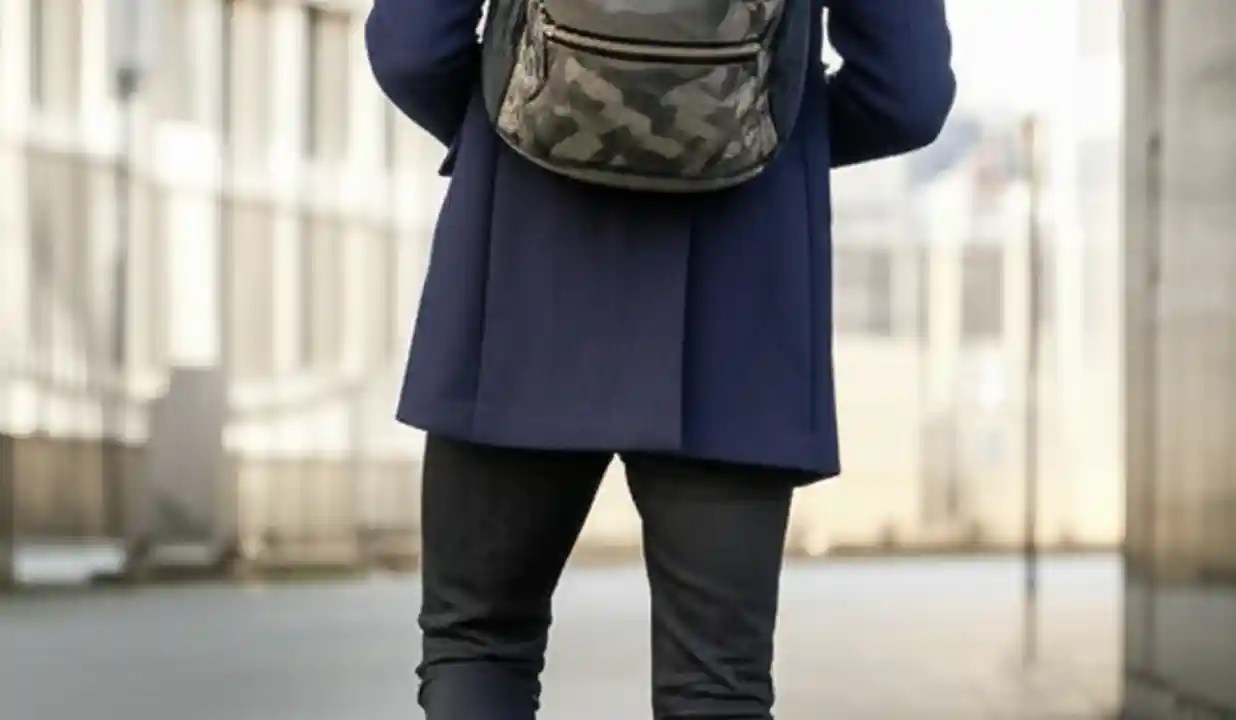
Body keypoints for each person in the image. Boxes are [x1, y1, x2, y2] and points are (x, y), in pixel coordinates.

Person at [365, 0, 954, 717]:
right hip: (743, 280)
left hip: (523, 252)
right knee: (716, 686)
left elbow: (410, 47)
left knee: (480, 644)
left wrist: (535, 118)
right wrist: (758, 136)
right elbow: (909, 92)